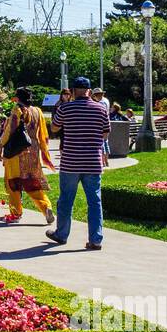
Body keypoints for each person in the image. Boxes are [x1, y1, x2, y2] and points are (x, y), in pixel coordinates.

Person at [46, 76, 110, 251]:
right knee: (95, 202)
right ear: (89, 91)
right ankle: (96, 239)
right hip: (92, 163)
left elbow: (54, 128)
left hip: (71, 162)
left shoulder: (66, 108)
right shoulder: (101, 108)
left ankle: (62, 234)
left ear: (73, 91)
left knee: (66, 199)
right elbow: (105, 134)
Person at [0, 87, 56, 225]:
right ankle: (46, 207)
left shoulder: (18, 110)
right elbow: (42, 133)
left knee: (13, 183)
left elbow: (9, 131)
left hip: (16, 153)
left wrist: (1, 145)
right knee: (32, 183)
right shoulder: (37, 111)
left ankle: (16, 213)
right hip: (32, 152)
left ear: (18, 98)